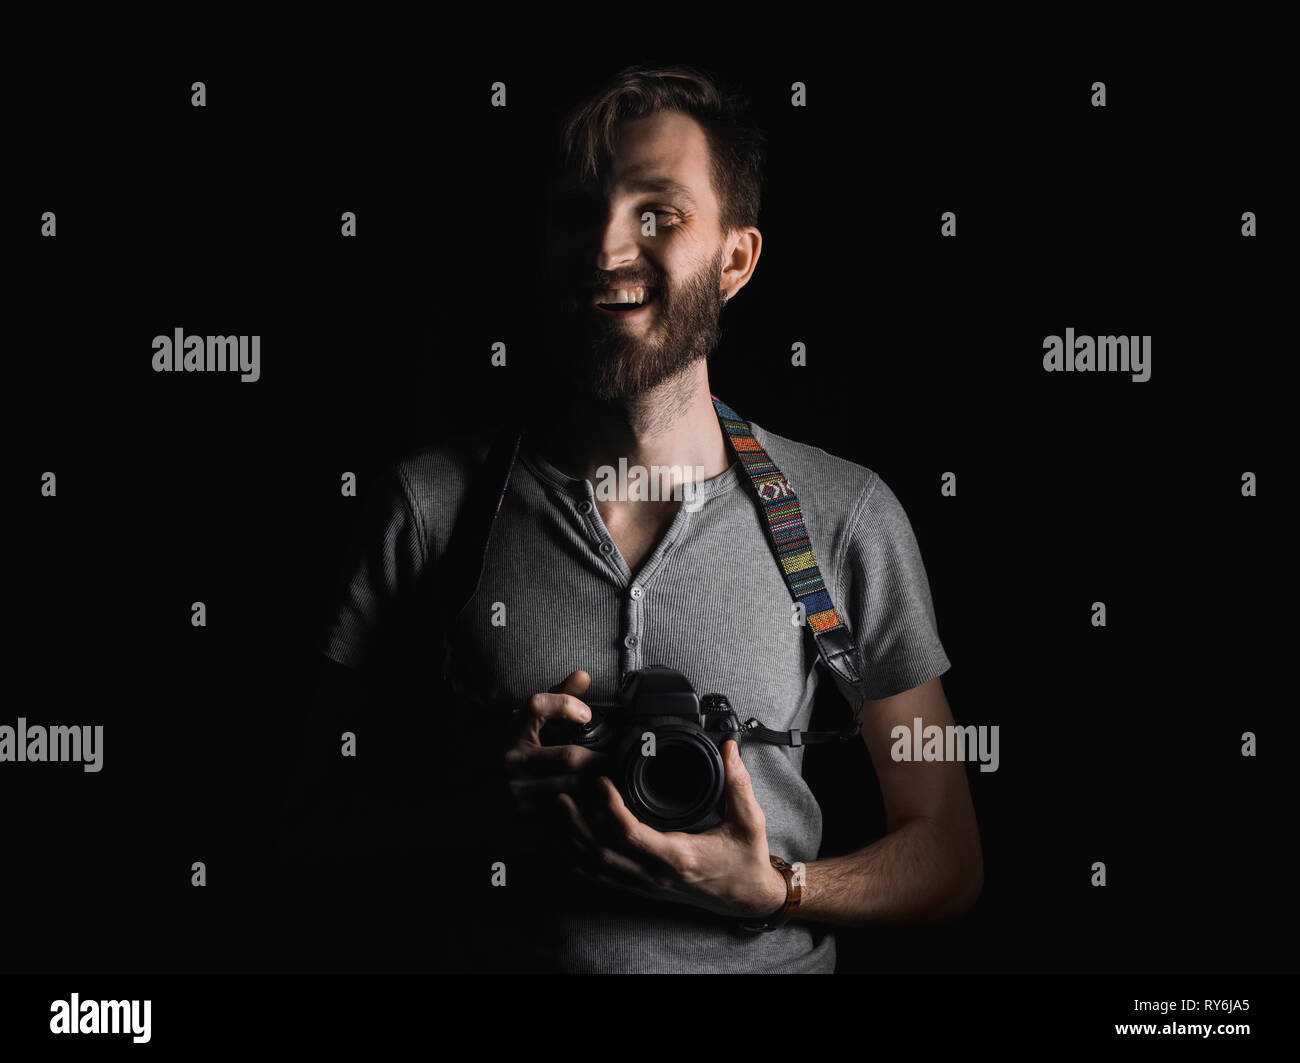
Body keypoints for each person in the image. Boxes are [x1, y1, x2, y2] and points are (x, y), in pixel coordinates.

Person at [291, 65, 982, 973]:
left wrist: (777, 888)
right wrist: (470, 799)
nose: (607, 248)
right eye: (582, 211)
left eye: (657, 212)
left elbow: (949, 855)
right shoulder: (431, 510)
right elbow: (300, 824)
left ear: (737, 260)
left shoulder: (843, 515)